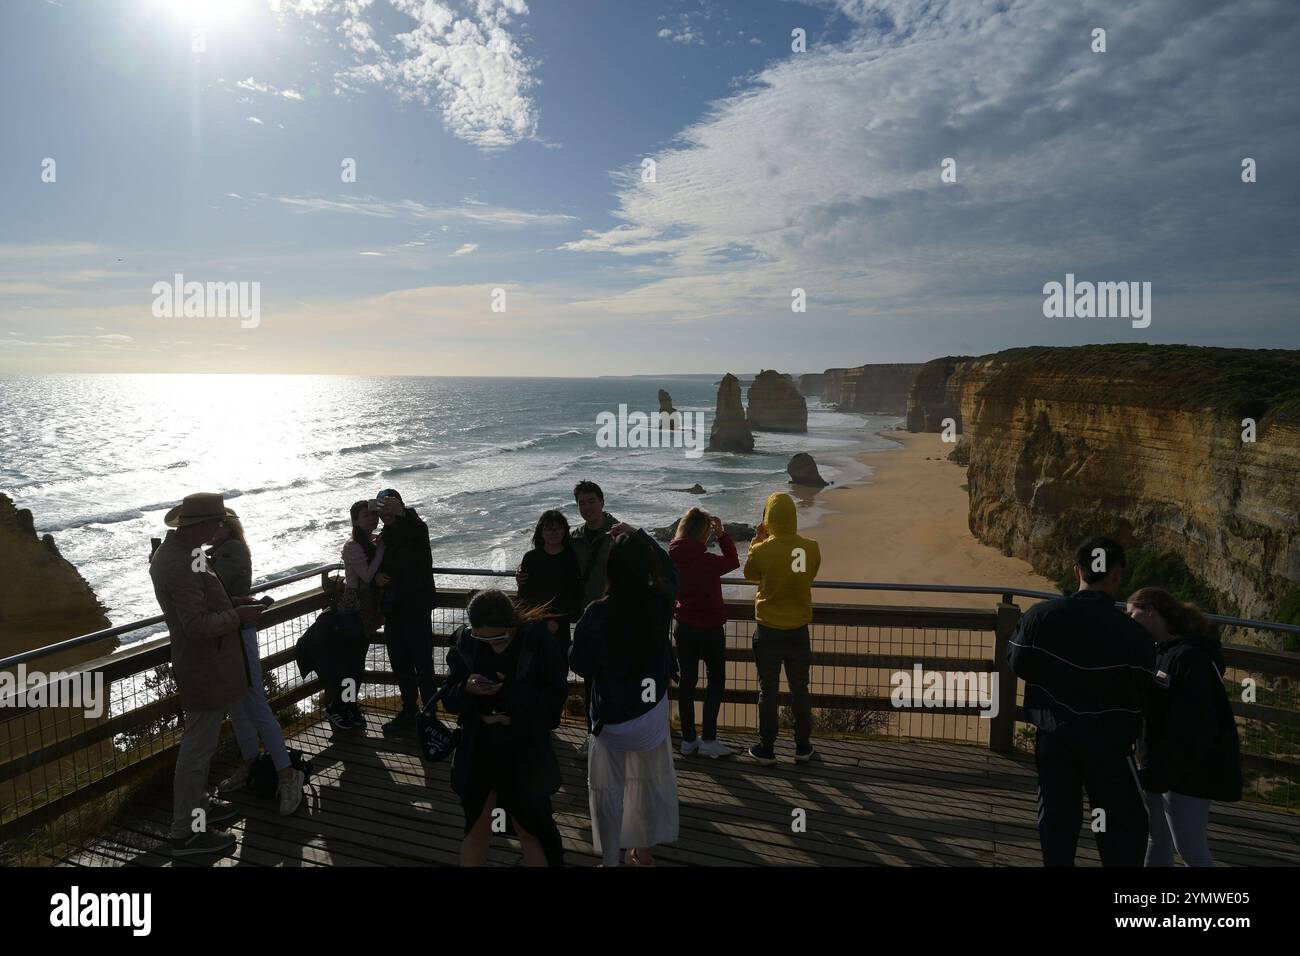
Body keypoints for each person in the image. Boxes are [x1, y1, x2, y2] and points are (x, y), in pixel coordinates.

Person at [1006, 536, 1156, 867]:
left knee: (1058, 821)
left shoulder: (1041, 617)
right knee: (1118, 826)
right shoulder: (1135, 635)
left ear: (1077, 570)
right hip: (1110, 743)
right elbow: (1145, 683)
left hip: (1056, 735)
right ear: (1117, 575)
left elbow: (1017, 661)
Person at [149, 493, 261, 856]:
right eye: (216, 522)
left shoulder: (187, 553)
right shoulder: (180, 561)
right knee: (197, 750)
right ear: (199, 524)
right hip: (202, 666)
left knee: (203, 746)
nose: (220, 528)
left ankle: (199, 815)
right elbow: (195, 625)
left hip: (209, 664)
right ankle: (186, 833)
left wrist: (234, 604)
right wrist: (237, 617)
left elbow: (205, 602)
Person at [571, 529, 680, 866]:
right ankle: (643, 852)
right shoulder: (661, 602)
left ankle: (610, 859)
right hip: (650, 715)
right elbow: (671, 570)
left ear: (611, 570)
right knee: (648, 781)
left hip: (612, 720)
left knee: (607, 790)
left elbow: (578, 663)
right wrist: (641, 536)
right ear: (646, 566)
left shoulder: (597, 612)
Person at [440, 590, 568, 867]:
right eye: (482, 638)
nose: (491, 644)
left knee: (530, 831)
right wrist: (467, 690)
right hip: (479, 748)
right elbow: (448, 698)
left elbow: (552, 709)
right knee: (477, 827)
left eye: (498, 638)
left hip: (523, 751)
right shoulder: (465, 642)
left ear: (513, 624)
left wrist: (510, 692)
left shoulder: (536, 642)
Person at [1128, 586, 1242, 867]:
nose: (1128, 620)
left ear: (1150, 610)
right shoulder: (1161, 652)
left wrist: (1168, 769)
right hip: (1158, 766)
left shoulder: (1190, 657)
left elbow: (1197, 724)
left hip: (1187, 773)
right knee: (1156, 839)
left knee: (1189, 849)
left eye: (1131, 614)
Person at [566, 480, 678, 758]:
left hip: (620, 615)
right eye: (581, 502)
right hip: (593, 618)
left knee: (627, 677)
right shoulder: (575, 538)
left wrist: (636, 533)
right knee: (597, 682)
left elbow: (654, 562)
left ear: (602, 502)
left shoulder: (619, 534)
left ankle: (634, 730)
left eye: (591, 501)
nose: (587, 507)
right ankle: (598, 734)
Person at [210, 511, 307, 816]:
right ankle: (251, 762)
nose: (209, 530)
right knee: (237, 705)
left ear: (227, 526)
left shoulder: (233, 550)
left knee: (254, 702)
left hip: (240, 632)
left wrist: (192, 565)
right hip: (228, 633)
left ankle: (288, 775)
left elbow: (215, 589)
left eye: (215, 524)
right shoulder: (218, 551)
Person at [742, 492, 821, 766]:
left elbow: (750, 574)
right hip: (799, 629)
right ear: (793, 517)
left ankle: (767, 748)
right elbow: (808, 574)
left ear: (769, 519)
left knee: (769, 690)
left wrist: (757, 541)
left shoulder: (763, 549)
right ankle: (802, 747)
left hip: (769, 630)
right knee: (800, 689)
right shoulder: (810, 547)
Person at [668, 507, 738, 757]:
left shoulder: (671, 558)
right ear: (703, 532)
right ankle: (708, 738)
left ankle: (688, 739)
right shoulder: (708, 561)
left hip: (683, 626)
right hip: (710, 629)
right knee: (716, 681)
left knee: (687, 682)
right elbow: (733, 560)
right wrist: (722, 535)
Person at [374, 488, 438, 733]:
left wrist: (403, 512)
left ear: (400, 506)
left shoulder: (416, 527)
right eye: (381, 507)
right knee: (400, 663)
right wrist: (376, 577)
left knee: (423, 663)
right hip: (394, 609)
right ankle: (409, 711)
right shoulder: (385, 536)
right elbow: (378, 567)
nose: (385, 511)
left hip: (416, 608)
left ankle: (430, 714)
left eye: (390, 505)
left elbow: (416, 530)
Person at [328, 499, 386, 729]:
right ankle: (337, 707)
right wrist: (381, 550)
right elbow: (368, 575)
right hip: (354, 608)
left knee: (357, 661)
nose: (372, 518)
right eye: (365, 516)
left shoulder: (370, 540)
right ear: (355, 520)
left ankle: (349, 705)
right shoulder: (353, 545)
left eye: (374, 514)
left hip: (367, 608)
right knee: (351, 662)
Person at [515, 509, 583, 653]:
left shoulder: (571, 558)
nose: (553, 532)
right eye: (548, 529)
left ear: (565, 531)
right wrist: (536, 620)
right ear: (541, 532)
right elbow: (524, 595)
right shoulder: (531, 558)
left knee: (559, 668)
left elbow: (574, 594)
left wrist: (558, 621)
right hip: (534, 623)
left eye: (558, 528)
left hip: (561, 625)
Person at [208, 511, 252, 597]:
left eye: (217, 525)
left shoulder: (232, 547)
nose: (209, 529)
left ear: (229, 528)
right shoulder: (222, 548)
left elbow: (217, 582)